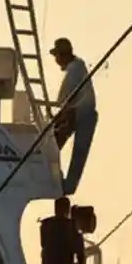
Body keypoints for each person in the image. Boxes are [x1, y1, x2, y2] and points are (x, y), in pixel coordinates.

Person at [50, 37, 99, 195]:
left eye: (57, 56)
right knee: (63, 145)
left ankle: (66, 185)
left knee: (75, 150)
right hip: (80, 113)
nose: (56, 61)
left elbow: (64, 102)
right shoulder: (78, 65)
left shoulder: (73, 70)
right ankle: (64, 182)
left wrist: (55, 122)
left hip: (82, 115)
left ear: (62, 56)